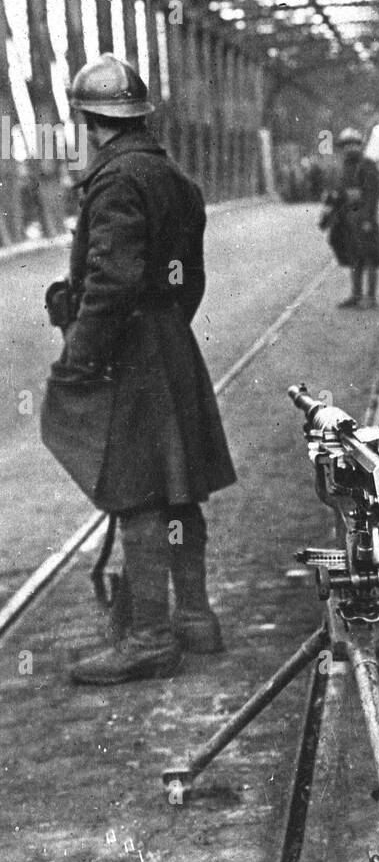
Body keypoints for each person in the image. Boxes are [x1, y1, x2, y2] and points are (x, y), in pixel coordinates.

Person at [40, 54, 236, 685]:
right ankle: (195, 618)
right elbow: (189, 279)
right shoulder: (174, 177)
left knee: (137, 493)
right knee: (178, 485)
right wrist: (165, 325)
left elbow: (112, 280)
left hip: (131, 354)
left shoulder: (117, 180)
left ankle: (150, 637)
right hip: (170, 344)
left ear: (91, 120)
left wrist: (82, 354)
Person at [321, 128, 379, 309]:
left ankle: (370, 297)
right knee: (353, 257)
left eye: (353, 144)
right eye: (346, 145)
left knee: (370, 257)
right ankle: (356, 295)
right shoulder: (343, 167)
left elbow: (372, 194)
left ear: (359, 145)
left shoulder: (368, 165)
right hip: (346, 218)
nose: (350, 148)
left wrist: (367, 219)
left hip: (363, 217)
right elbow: (338, 191)